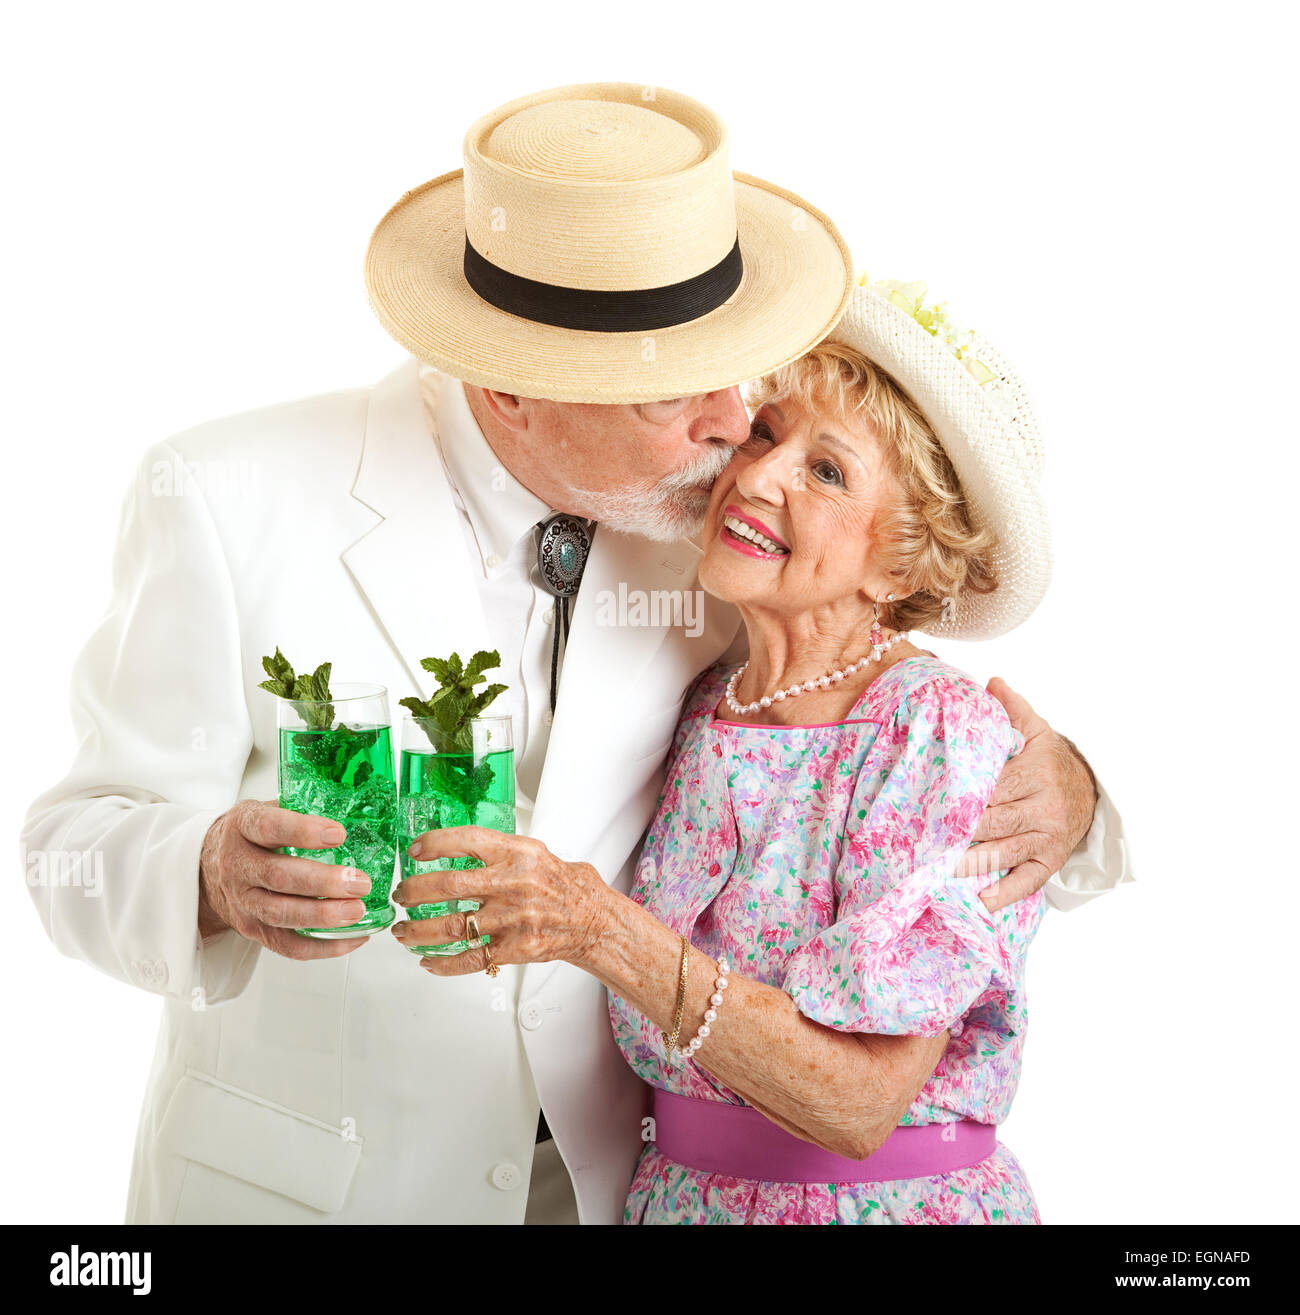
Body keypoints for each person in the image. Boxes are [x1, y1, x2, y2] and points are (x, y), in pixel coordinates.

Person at [22, 83, 1127, 1226]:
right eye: (677, 386)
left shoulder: (714, 541)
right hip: (312, 1197)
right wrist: (205, 871)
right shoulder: (227, 494)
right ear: (513, 386)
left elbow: (886, 716)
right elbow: (74, 839)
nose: (731, 430)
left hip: (613, 1196)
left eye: (734, 368)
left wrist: (1075, 790)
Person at [394, 277, 1077, 1223]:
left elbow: (859, 1100)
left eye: (827, 471)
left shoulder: (937, 733)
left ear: (903, 561)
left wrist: (596, 927)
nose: (756, 477)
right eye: (766, 434)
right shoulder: (706, 694)